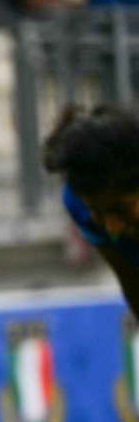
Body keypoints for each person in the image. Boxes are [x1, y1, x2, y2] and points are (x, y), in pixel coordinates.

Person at [44, 104, 139, 315]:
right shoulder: (78, 204)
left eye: (120, 209)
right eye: (98, 213)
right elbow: (131, 280)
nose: (112, 228)